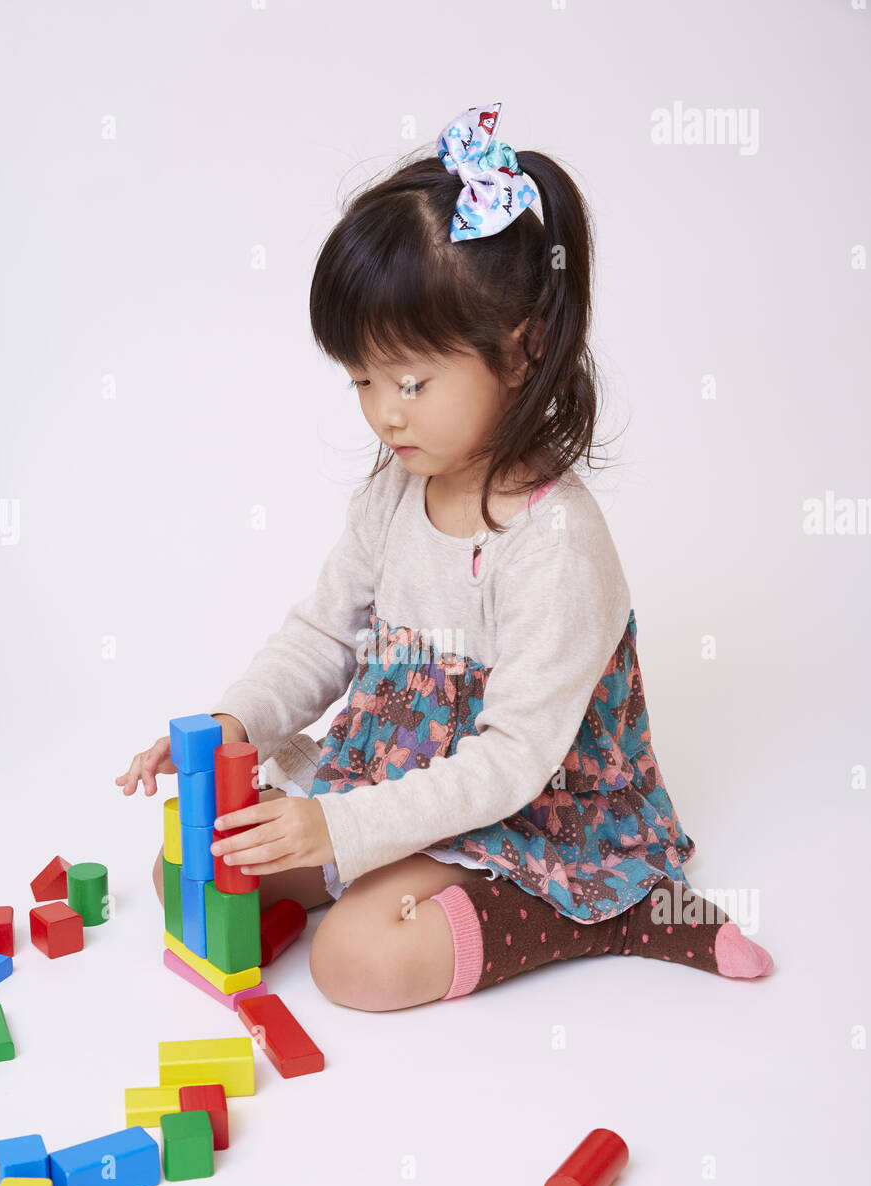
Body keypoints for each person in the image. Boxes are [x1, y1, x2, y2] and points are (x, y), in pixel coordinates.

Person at [117, 101, 774, 1012]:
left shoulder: (555, 543)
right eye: (361, 381)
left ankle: (609, 912)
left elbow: (511, 762)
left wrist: (338, 827)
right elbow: (321, 636)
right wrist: (238, 724)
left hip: (531, 800)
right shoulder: (393, 490)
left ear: (523, 351)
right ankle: (340, 881)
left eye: (411, 382)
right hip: (400, 769)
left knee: (359, 963)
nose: (385, 414)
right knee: (184, 864)